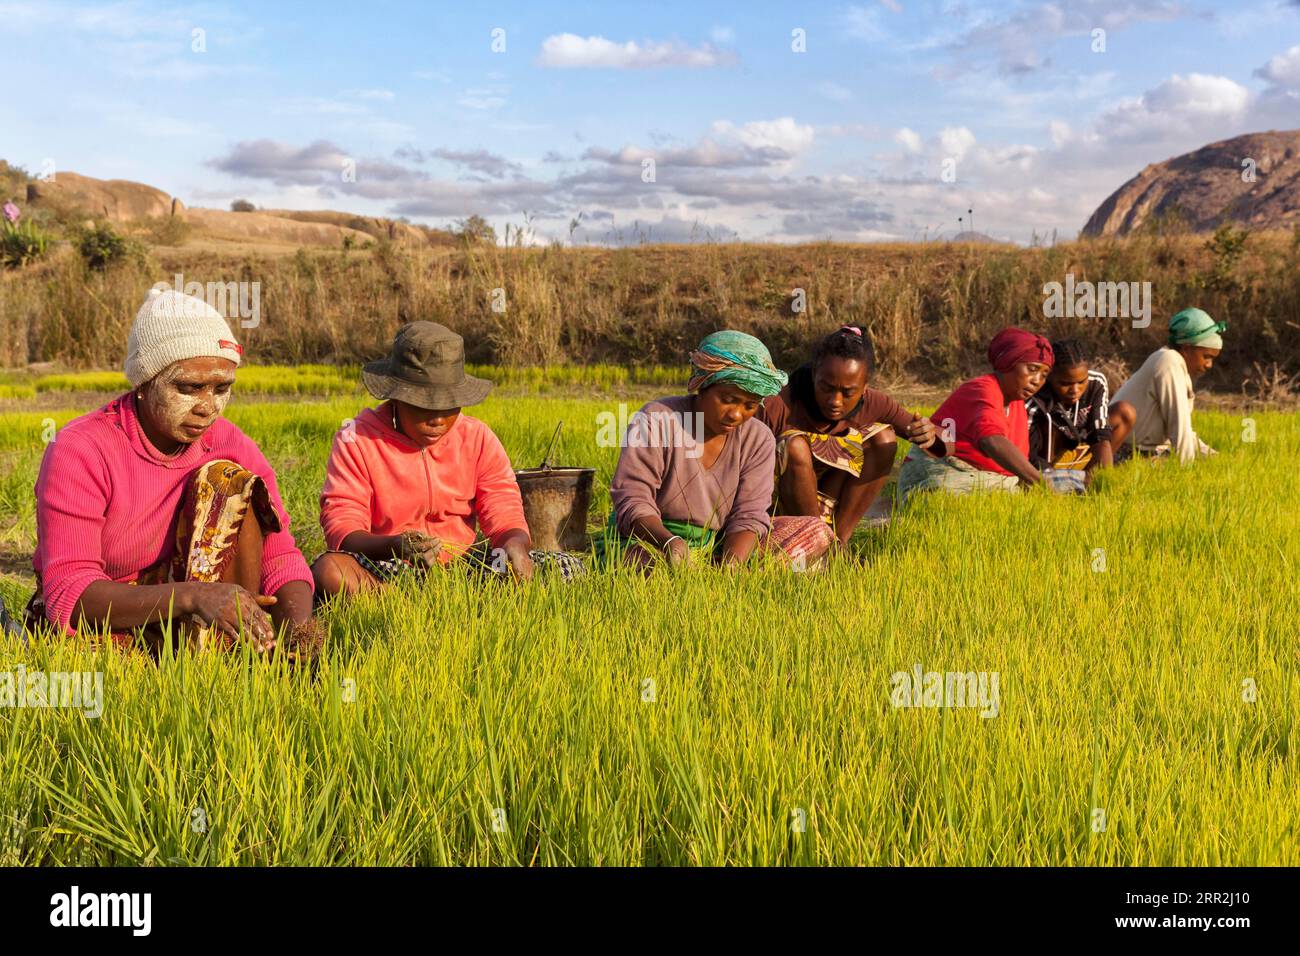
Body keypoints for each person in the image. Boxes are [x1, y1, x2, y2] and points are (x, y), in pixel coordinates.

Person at [27, 289, 320, 659]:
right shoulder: (81, 449)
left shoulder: (229, 443)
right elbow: (71, 590)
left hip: (191, 609)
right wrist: (193, 596)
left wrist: (298, 636)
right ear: (145, 383)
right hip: (103, 622)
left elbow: (280, 556)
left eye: (221, 388)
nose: (207, 407)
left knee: (231, 479)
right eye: (189, 388)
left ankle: (231, 656)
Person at [311, 321, 583, 597]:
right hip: (387, 564)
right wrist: (395, 545)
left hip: (463, 567)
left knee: (566, 568)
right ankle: (400, 603)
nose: (438, 419)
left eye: (448, 406)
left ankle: (436, 602)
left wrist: (513, 542)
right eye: (423, 405)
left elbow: (502, 506)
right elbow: (342, 526)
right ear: (396, 398)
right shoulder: (358, 439)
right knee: (330, 571)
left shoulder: (477, 438)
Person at [601, 330, 834, 571]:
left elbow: (750, 515)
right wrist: (669, 541)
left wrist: (730, 567)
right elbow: (633, 497)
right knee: (640, 564)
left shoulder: (758, 439)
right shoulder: (656, 419)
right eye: (727, 399)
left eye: (749, 406)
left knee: (815, 531)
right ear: (702, 385)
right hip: (651, 538)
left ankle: (724, 571)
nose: (735, 414)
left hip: (717, 542)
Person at [757, 325, 946, 544]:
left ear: (865, 387)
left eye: (848, 392)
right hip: (779, 505)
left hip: (827, 499)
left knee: (883, 439)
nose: (835, 401)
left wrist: (931, 434)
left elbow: (948, 443)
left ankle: (838, 543)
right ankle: (814, 543)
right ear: (813, 375)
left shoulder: (874, 403)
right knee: (795, 447)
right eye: (826, 388)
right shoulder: (778, 403)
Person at [897, 327, 1053, 503]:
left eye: (1044, 375)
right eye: (1032, 369)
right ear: (1008, 362)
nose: (1037, 380)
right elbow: (991, 440)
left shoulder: (1017, 404)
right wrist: (1041, 483)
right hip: (940, 469)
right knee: (948, 498)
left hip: (982, 478)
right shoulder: (982, 389)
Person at [1108, 308, 1225, 465]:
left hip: (1143, 452)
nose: (1209, 365)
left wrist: (1216, 458)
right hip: (1123, 454)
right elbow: (1179, 428)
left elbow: (1185, 432)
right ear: (1187, 349)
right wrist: (1187, 472)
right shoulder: (1168, 361)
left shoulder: (1178, 367)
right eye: (1206, 357)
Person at [1025, 338, 1114, 475]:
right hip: (1046, 458)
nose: (1075, 390)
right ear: (1049, 376)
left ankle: (1093, 473)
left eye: (1081, 382)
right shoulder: (1035, 395)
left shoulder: (1096, 382)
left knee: (1124, 412)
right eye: (1065, 384)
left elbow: (1101, 434)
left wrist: (1104, 479)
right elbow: (1027, 451)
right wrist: (1053, 480)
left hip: (1080, 445)